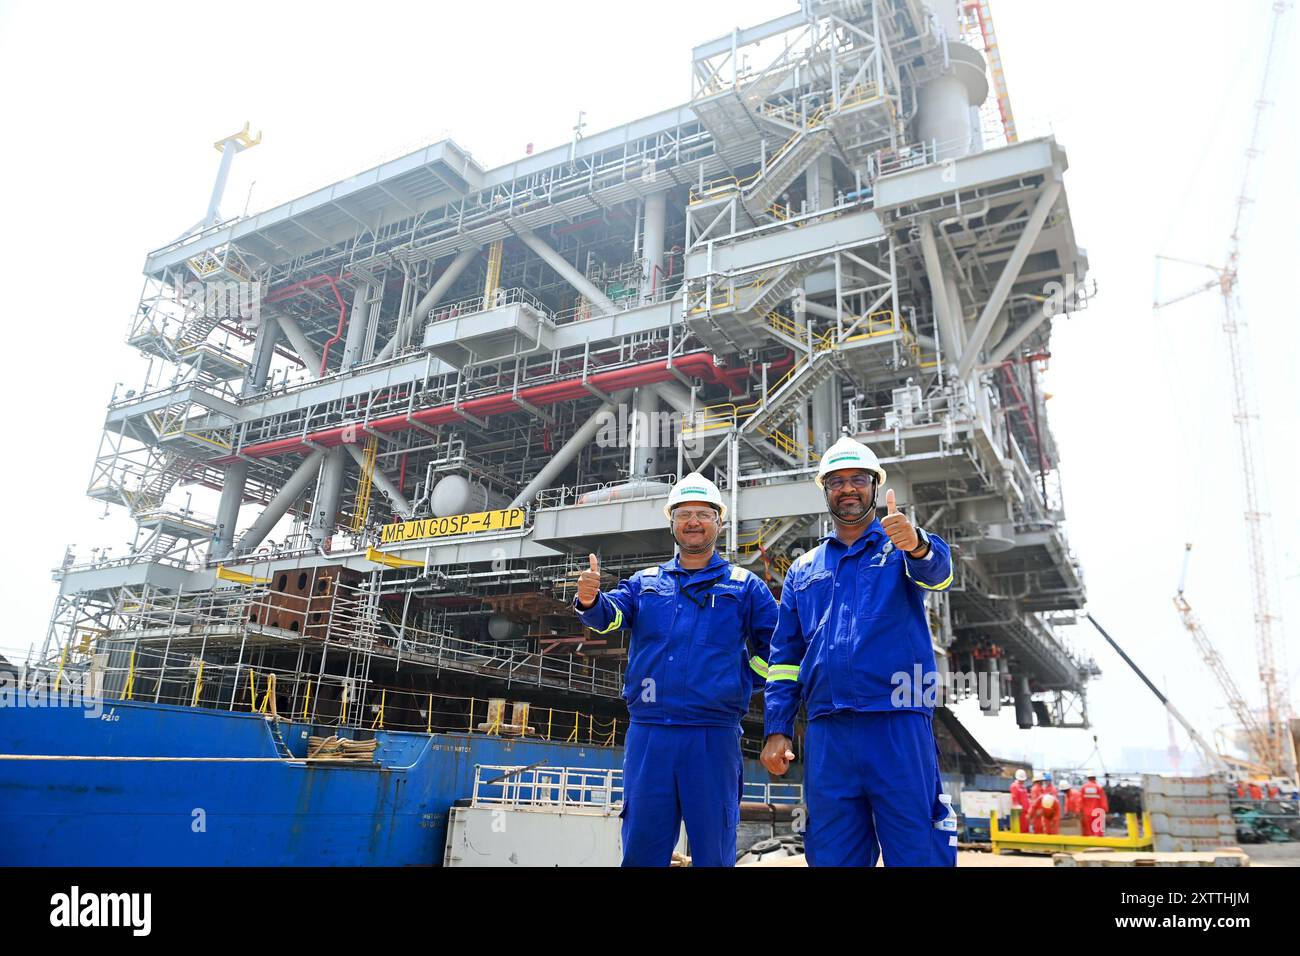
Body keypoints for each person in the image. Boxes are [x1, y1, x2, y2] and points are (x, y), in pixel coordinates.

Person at [760, 437, 957, 866]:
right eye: (837, 482)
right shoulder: (803, 569)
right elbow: (784, 659)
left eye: (858, 480)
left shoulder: (901, 548)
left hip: (897, 722)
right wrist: (777, 728)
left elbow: (939, 573)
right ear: (824, 490)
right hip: (828, 732)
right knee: (832, 852)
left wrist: (918, 544)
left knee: (917, 848)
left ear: (874, 485)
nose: (848, 489)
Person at [574, 472, 777, 867]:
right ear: (672, 523)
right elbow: (610, 616)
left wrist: (739, 679)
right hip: (651, 734)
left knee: (713, 850)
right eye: (684, 513)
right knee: (642, 850)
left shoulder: (744, 586)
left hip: (713, 735)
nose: (694, 522)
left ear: (719, 522)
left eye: (703, 513)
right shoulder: (645, 583)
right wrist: (590, 601)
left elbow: (778, 649)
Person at [1009, 769, 1031, 834]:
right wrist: (1018, 808)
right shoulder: (1014, 786)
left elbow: (1026, 798)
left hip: (1026, 812)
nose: (1023, 781)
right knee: (1021, 829)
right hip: (1020, 812)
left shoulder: (1023, 787)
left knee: (1026, 829)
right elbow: (1014, 798)